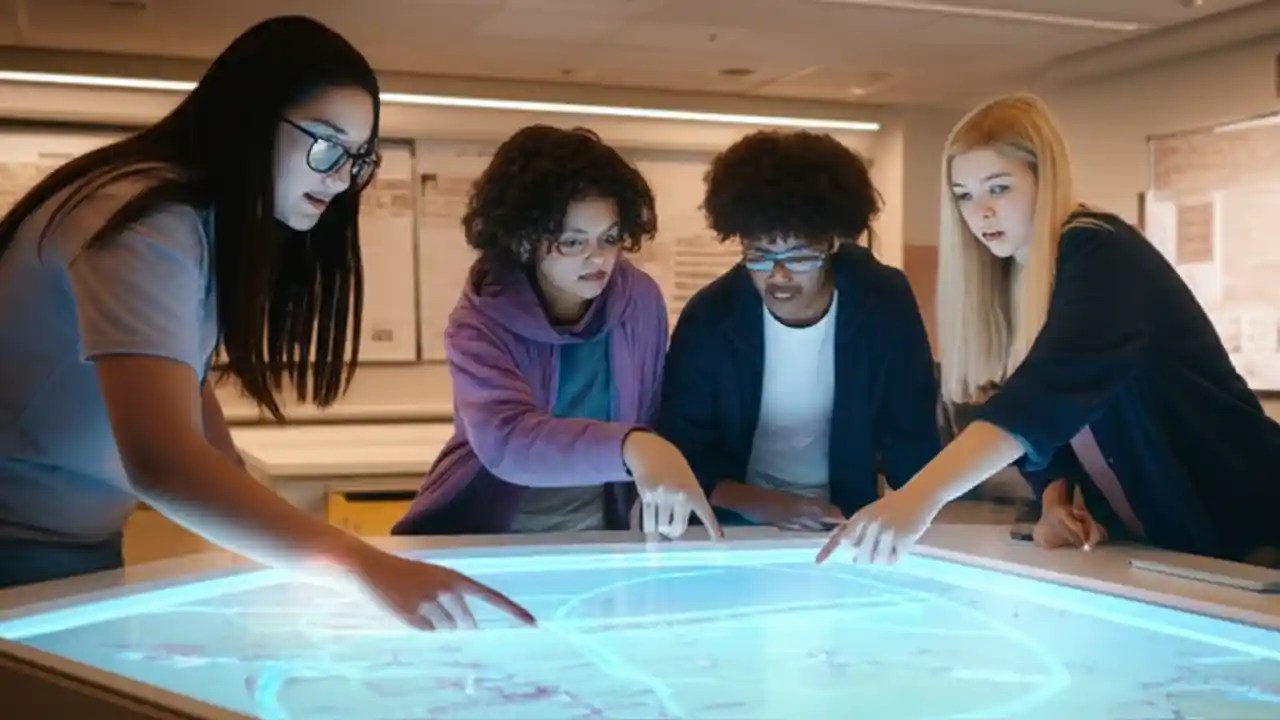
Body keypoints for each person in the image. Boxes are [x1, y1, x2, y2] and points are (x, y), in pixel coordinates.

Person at [0, 16, 534, 630]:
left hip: (69, 543)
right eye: (326, 145)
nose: (339, 177)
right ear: (252, 120)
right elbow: (163, 459)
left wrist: (281, 547)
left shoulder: (192, 225)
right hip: (18, 547)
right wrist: (366, 566)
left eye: (357, 159)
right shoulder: (147, 221)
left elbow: (186, 398)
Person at [817, 94, 1280, 567]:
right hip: (1173, 548)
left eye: (999, 188)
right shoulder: (1016, 279)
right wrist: (1056, 499)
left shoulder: (1101, 253)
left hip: (1254, 524)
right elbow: (1055, 422)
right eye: (964, 195)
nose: (982, 212)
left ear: (1044, 180)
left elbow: (1046, 394)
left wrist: (916, 499)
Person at [391, 125, 720, 540]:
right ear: (524, 241)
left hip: (607, 529)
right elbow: (506, 440)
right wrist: (633, 446)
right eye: (572, 242)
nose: (597, 257)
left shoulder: (640, 299)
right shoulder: (479, 321)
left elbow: (652, 409)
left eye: (610, 238)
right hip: (497, 530)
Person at [657, 130, 941, 531]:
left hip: (845, 520)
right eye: (760, 255)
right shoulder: (711, 318)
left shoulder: (881, 300)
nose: (779, 275)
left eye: (799, 255)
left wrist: (917, 511)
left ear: (831, 244)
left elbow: (910, 429)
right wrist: (770, 506)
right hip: (732, 527)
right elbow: (681, 453)